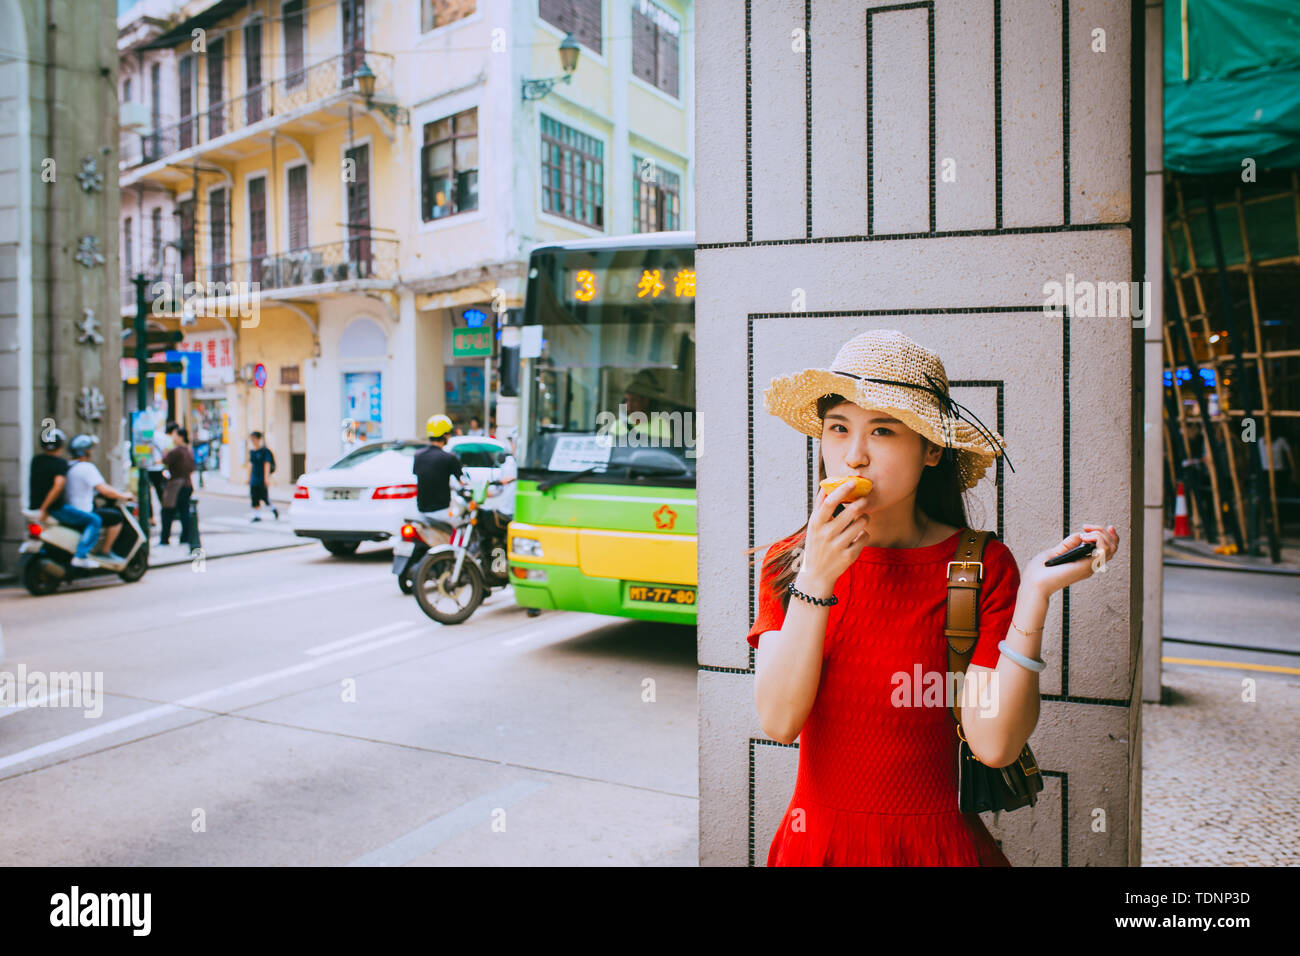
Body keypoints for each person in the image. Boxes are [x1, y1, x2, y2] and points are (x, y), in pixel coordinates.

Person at [746, 329, 1120, 866]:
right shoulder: (788, 563)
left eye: (882, 431)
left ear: (931, 449)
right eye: (837, 429)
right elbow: (780, 722)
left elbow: (995, 746)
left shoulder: (983, 567)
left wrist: (1036, 593)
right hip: (818, 847)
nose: (853, 456)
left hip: (938, 850)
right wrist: (816, 579)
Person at [64, 434, 135, 567]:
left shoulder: (69, 466)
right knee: (115, 517)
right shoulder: (86, 467)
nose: (91, 452)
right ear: (84, 451)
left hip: (71, 509)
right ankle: (105, 551)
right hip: (84, 510)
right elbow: (104, 489)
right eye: (89, 449)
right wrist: (124, 495)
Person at [413, 414, 465, 515]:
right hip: (442, 511)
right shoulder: (449, 457)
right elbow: (463, 482)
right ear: (445, 435)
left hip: (421, 511)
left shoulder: (418, 455)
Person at [160, 426, 196, 546]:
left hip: (176, 486)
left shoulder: (176, 451)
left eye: (175, 435)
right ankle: (185, 538)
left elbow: (165, 460)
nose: (173, 438)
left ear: (180, 437)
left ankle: (165, 539)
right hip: (187, 484)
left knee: (168, 513)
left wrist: (165, 452)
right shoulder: (188, 451)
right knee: (184, 512)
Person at [247, 431, 279, 521]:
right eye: (252, 440)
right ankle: (257, 516)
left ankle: (273, 509)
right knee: (254, 497)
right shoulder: (252, 452)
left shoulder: (265, 451)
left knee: (265, 497)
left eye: (254, 439)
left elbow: (267, 464)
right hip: (254, 478)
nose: (253, 442)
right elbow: (251, 465)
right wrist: (248, 477)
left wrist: (266, 477)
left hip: (262, 478)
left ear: (259, 439)